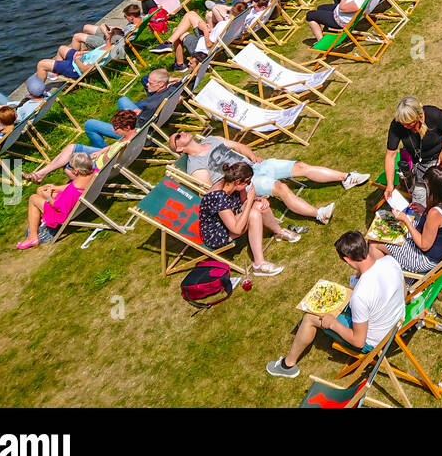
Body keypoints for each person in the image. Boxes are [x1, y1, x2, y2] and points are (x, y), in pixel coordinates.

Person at [265, 230, 405, 377]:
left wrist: (333, 324)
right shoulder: (390, 261)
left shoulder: (361, 295)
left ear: (348, 259)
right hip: (397, 321)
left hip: (376, 340)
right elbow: (403, 290)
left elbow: (359, 341)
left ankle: (287, 365)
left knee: (309, 317)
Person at [169, 131, 368, 223]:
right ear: (179, 148)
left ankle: (347, 177)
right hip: (247, 181)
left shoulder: (211, 139)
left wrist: (252, 156)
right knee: (280, 187)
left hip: (257, 165)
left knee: (301, 166)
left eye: (179, 132)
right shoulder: (195, 167)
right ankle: (319, 214)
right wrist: (245, 193)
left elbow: (238, 146)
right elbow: (216, 192)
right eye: (177, 137)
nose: (181, 133)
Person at [197, 161, 292, 276]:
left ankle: (278, 232)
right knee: (253, 215)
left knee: (260, 206)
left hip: (229, 219)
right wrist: (251, 201)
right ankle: (259, 264)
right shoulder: (218, 197)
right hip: (216, 233)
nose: (249, 185)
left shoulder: (231, 183)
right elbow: (236, 229)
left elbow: (242, 202)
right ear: (238, 181)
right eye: (247, 182)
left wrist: (256, 199)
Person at [25, 107, 140, 183]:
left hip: (98, 168)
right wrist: (101, 151)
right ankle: (41, 173)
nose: (114, 130)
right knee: (72, 147)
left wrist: (89, 159)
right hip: (101, 156)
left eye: (116, 128)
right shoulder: (135, 134)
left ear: (127, 127)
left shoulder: (124, 144)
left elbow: (106, 161)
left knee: (68, 167)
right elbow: (114, 146)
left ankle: (82, 186)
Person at [383, 165, 442, 274]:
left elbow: (424, 245)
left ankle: (393, 280)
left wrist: (406, 220)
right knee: (392, 226)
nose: (426, 187)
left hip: (426, 259)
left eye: (427, 185)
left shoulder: (435, 213)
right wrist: (424, 210)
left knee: (377, 242)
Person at [16, 153, 97, 249]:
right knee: (41, 190)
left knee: (33, 198)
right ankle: (37, 222)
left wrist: (48, 197)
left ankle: (32, 237)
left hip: (62, 213)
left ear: (75, 171)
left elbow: (58, 206)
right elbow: (71, 187)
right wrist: (55, 188)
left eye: (71, 167)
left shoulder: (73, 190)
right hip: (78, 201)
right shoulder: (94, 172)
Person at [384, 97, 442, 207]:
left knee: (441, 197)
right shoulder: (397, 125)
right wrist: (390, 185)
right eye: (403, 124)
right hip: (418, 164)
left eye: (409, 124)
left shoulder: (433, 114)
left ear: (418, 116)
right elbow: (390, 155)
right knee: (418, 198)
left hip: (438, 160)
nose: (405, 127)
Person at [34, 27, 117, 84]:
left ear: (109, 37)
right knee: (61, 48)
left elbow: (85, 70)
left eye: (108, 33)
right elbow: (92, 53)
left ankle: (38, 93)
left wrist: (77, 59)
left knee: (41, 64)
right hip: (80, 59)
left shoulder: (103, 54)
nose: (106, 33)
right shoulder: (108, 47)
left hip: (75, 69)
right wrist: (81, 53)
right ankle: (57, 73)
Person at [69, 4, 142, 52]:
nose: (125, 18)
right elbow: (124, 34)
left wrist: (106, 33)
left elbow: (117, 42)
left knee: (76, 37)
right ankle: (86, 49)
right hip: (115, 35)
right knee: (86, 27)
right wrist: (116, 29)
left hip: (109, 42)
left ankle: (73, 59)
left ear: (131, 17)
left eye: (126, 16)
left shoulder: (132, 29)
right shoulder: (140, 21)